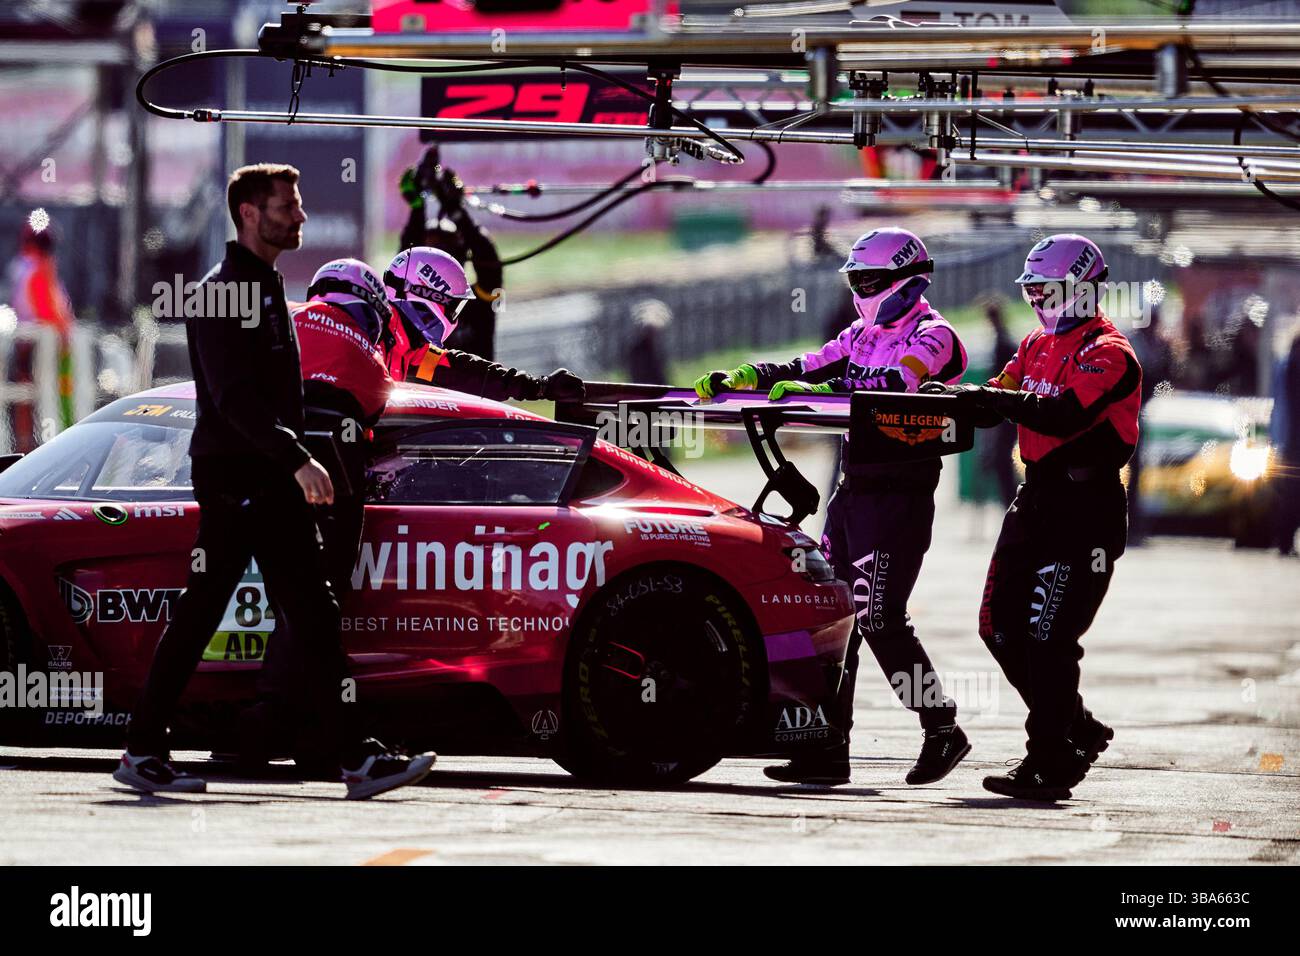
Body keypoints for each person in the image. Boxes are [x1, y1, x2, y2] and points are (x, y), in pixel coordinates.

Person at [114, 164, 433, 799]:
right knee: (243, 614)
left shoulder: (262, 287)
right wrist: (298, 459)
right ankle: (348, 758)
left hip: (259, 483)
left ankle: (347, 756)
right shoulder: (223, 293)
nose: (301, 216)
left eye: (299, 201)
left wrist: (288, 462)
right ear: (250, 214)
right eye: (288, 205)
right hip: (245, 484)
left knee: (305, 615)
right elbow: (235, 401)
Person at [694, 227, 972, 787]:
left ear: (906, 281)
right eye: (855, 279)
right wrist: (747, 376)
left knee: (877, 618)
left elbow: (894, 386)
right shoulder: (861, 333)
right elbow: (809, 363)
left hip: (900, 497)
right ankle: (827, 745)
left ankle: (942, 728)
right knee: (829, 617)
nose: (860, 288)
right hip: (852, 493)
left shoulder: (935, 335)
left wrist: (828, 394)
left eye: (869, 280)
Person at [923, 234, 1139, 801]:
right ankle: (1077, 727)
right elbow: (998, 395)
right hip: (1034, 499)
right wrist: (941, 400)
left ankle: (1048, 761)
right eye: (1033, 288)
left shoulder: (1110, 353)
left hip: (1085, 512)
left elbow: (1065, 415)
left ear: (1080, 289)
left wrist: (993, 400)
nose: (1038, 296)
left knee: (1050, 638)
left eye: (1046, 287)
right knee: (997, 628)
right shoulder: (1034, 344)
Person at [241, 257, 395, 768]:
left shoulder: (280, 316)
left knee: (217, 597)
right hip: (329, 478)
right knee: (317, 601)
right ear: (370, 308)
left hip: (246, 464)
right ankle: (287, 726)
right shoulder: (372, 360)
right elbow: (374, 412)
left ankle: (286, 726)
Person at [381, 246, 585, 404]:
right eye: (452, 305)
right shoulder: (374, 333)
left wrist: (539, 386)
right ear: (425, 296)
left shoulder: (413, 351)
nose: (454, 317)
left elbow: (464, 373)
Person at [398, 145, 504, 360]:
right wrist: (417, 209)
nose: (438, 254)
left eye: (445, 246)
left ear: (462, 254)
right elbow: (403, 262)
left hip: (473, 393)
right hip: (423, 392)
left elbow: (490, 264)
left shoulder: (480, 299)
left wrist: (457, 212)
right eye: (431, 247)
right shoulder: (409, 300)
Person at [5, 220, 76, 448]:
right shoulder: (35, 268)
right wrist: (65, 331)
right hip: (36, 340)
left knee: (31, 394)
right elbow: (46, 310)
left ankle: (29, 444)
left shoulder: (25, 266)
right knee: (35, 394)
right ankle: (31, 446)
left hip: (32, 338)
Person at [1127, 304, 1174, 544]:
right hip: (1129, 413)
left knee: (1139, 472)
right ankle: (1126, 521)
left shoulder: (1162, 346)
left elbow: (1169, 377)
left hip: (1148, 413)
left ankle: (1137, 522)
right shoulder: (1131, 342)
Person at [980, 297, 1019, 508]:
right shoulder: (1005, 339)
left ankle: (1010, 506)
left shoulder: (1003, 343)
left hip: (1004, 410)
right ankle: (1009, 505)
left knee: (1001, 461)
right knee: (1001, 461)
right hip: (1006, 407)